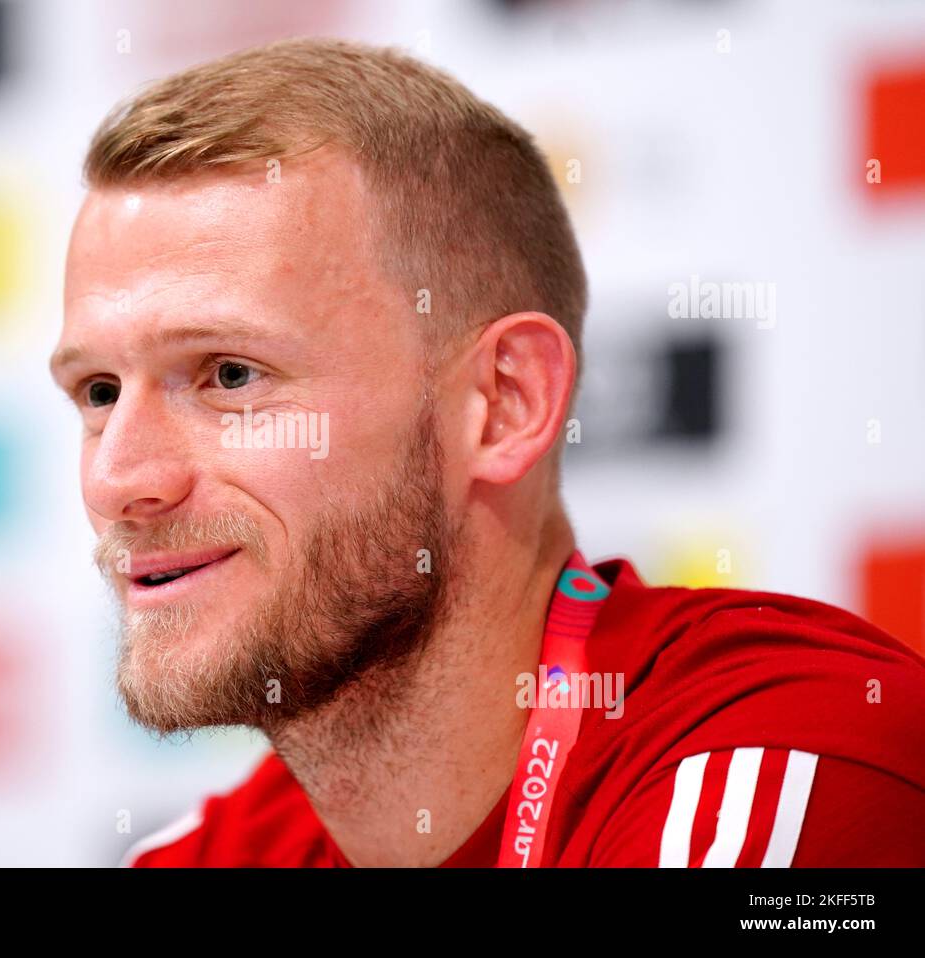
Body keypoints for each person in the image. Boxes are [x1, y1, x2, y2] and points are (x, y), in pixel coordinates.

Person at [50, 37, 925, 867]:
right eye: (98, 392)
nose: (118, 479)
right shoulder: (211, 853)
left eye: (230, 375)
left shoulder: (785, 762)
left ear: (506, 403)